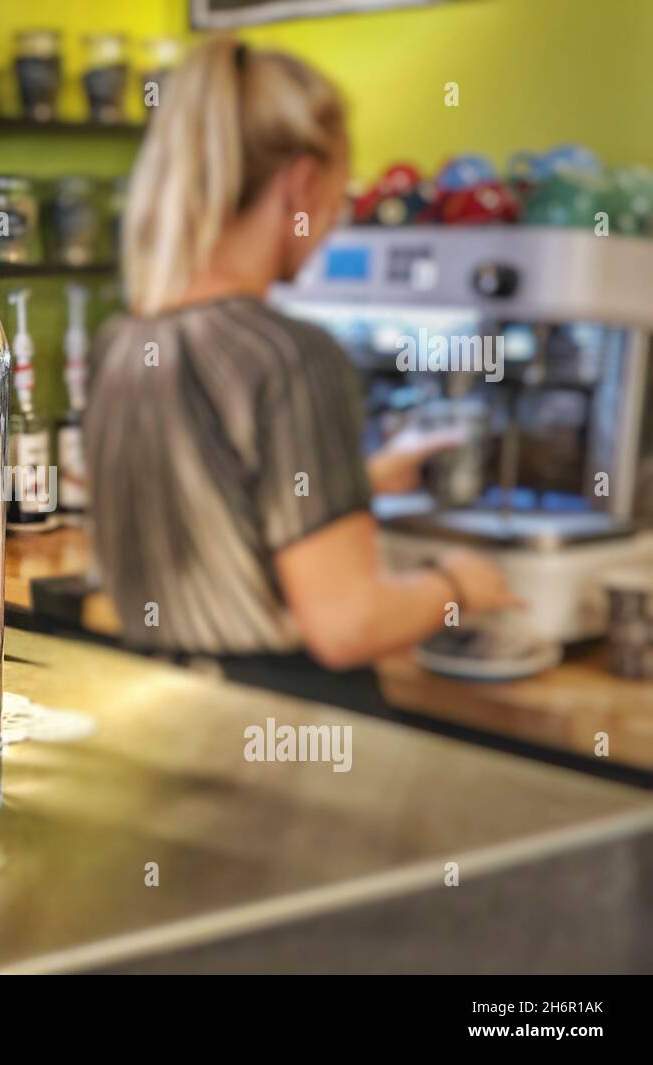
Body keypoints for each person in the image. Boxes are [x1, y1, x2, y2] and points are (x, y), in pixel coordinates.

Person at [86, 36, 519, 711]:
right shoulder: (291, 355)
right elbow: (347, 626)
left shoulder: (122, 341)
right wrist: (458, 584)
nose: (333, 220)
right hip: (292, 732)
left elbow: (213, 501)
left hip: (172, 717)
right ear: (299, 182)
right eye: (340, 192)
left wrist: (362, 478)